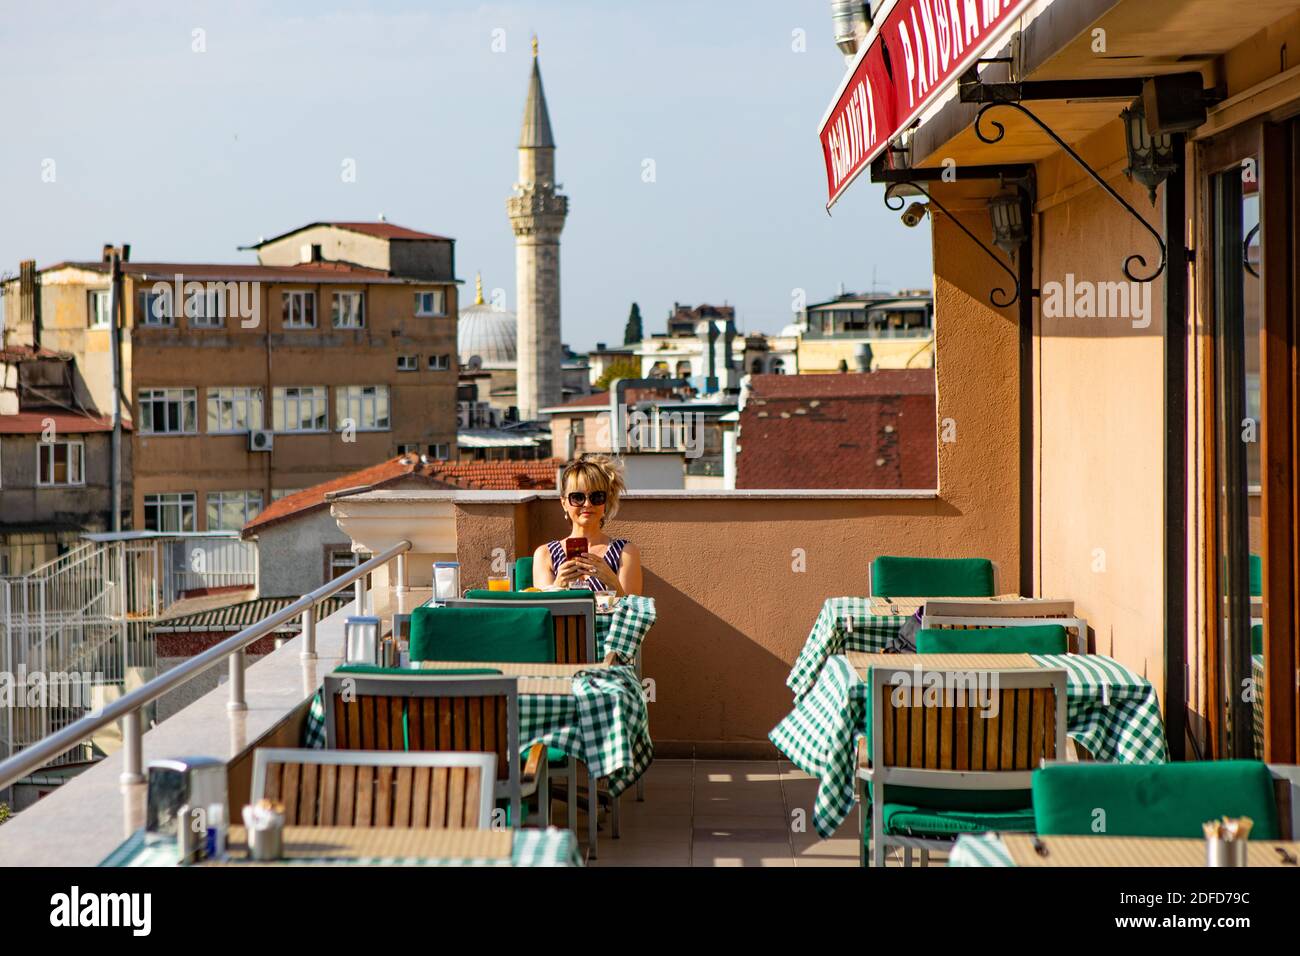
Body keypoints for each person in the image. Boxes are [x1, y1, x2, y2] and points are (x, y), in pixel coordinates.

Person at [532, 453, 643, 596]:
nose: (587, 504)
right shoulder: (545, 554)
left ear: (605, 503)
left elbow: (633, 613)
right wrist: (558, 586)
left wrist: (612, 582)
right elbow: (544, 614)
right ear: (564, 503)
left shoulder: (625, 552)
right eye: (577, 497)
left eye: (596, 497)